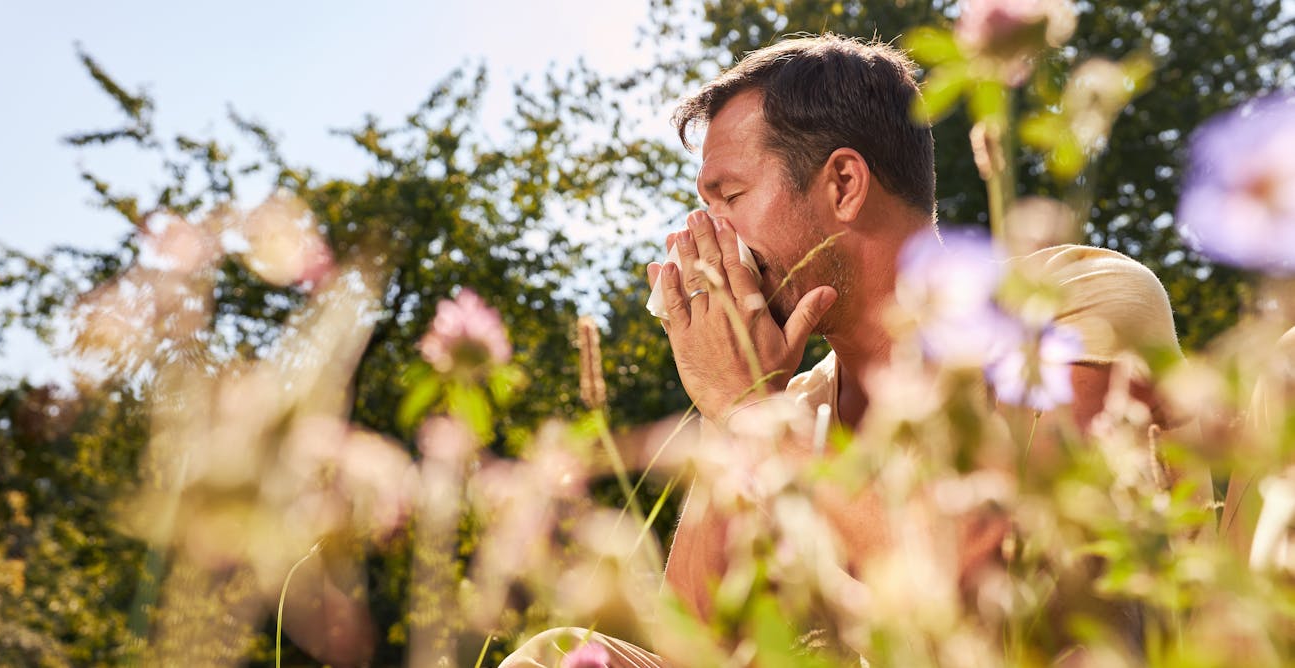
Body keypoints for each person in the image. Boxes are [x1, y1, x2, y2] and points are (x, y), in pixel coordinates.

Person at [502, 33, 1192, 667]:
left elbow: (1007, 610)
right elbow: (691, 652)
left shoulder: (1071, 302)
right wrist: (730, 419)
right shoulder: (787, 406)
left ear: (843, 184)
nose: (705, 238)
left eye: (730, 196)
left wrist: (750, 415)